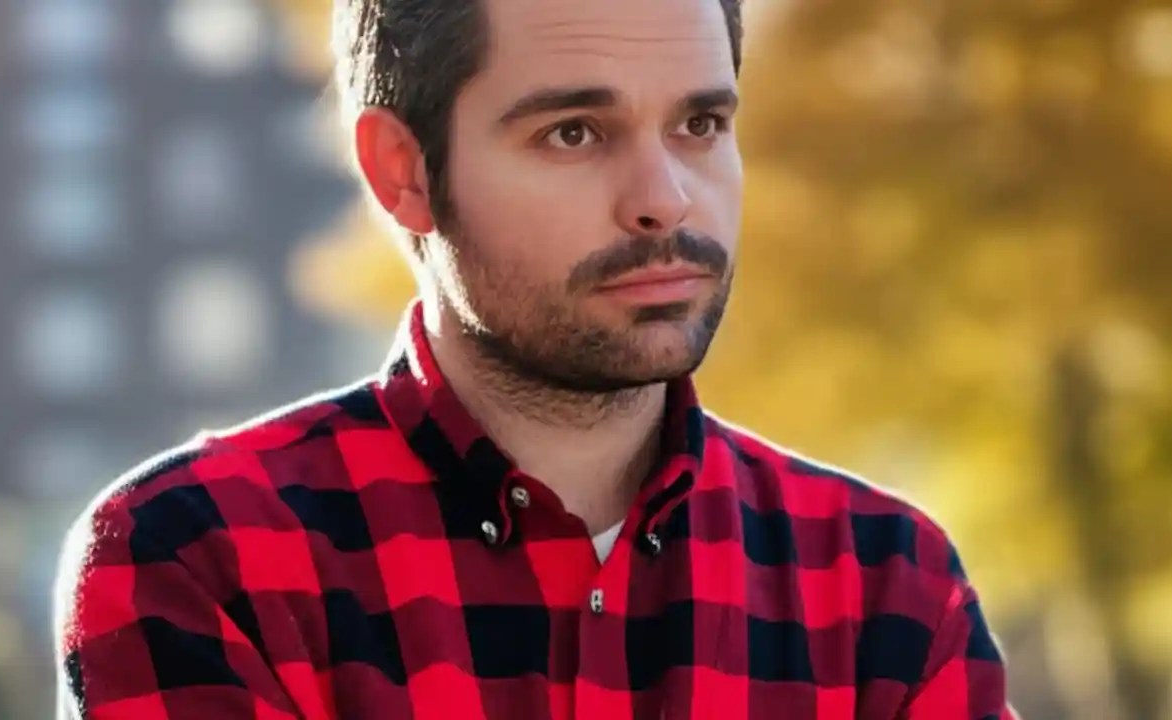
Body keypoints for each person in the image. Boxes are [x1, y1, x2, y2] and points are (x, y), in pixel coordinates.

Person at [53, 0, 1017, 717]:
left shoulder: (887, 583)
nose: (665, 199)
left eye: (700, 126)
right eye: (574, 133)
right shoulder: (203, 558)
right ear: (405, 172)